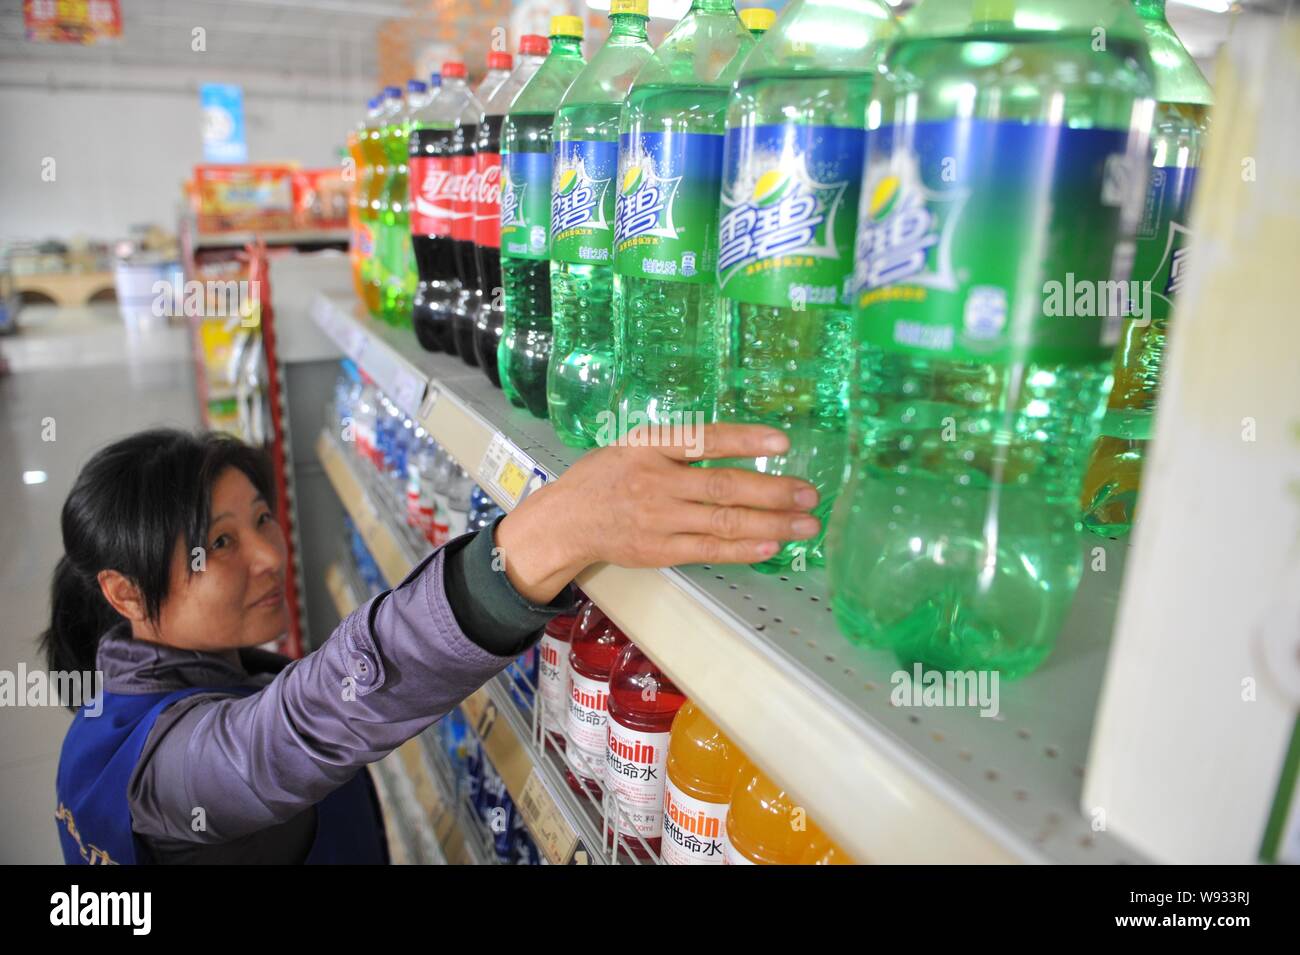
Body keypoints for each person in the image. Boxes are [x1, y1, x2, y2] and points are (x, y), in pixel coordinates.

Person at [43, 424, 820, 864]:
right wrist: (540, 540)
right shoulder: (164, 773)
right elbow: (302, 724)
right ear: (123, 593)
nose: (271, 556)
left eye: (262, 518)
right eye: (219, 543)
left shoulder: (141, 697)